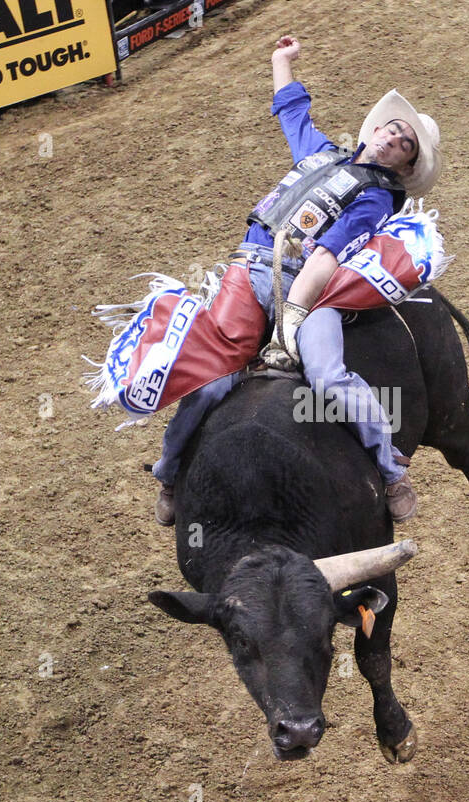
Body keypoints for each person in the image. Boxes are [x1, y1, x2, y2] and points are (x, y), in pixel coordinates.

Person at [151, 34, 443, 527]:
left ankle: (392, 470)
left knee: (329, 378)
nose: (393, 139)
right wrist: (281, 61)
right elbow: (292, 112)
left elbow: (329, 251)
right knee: (206, 382)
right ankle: (170, 472)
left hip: (315, 289)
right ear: (374, 131)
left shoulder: (376, 198)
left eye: (405, 144)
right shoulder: (321, 153)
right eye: (393, 130)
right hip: (253, 270)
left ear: (406, 165)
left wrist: (294, 315)